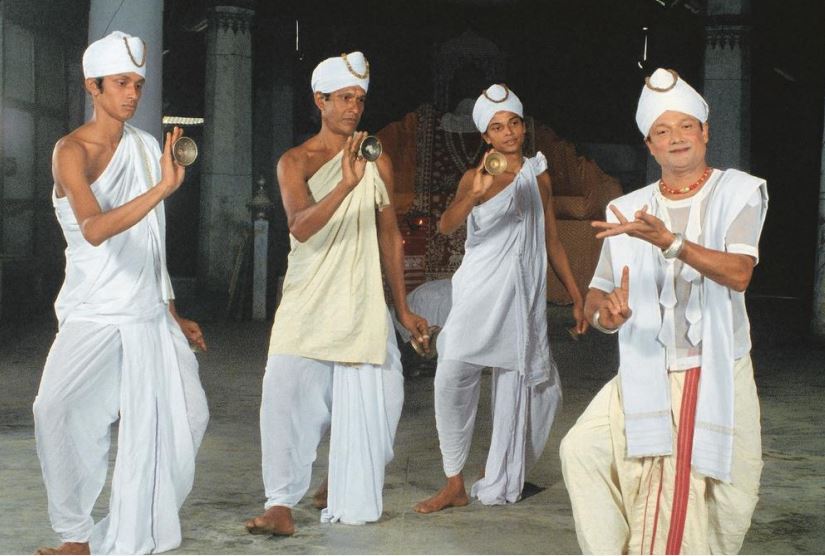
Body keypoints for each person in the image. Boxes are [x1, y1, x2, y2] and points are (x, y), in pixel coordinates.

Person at [560, 68, 767, 554]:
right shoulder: (626, 209)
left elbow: (738, 274)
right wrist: (602, 316)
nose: (676, 138)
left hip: (706, 367)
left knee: (677, 494)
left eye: (686, 126)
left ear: (705, 132)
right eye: (662, 131)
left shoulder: (738, 191)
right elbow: (598, 293)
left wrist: (670, 243)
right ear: (649, 146)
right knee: (581, 451)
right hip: (644, 366)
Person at [32, 31, 209, 555]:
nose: (133, 94)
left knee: (190, 414)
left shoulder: (144, 145)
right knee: (55, 411)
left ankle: (139, 523)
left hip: (147, 312)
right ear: (94, 86)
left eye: (139, 83)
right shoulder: (71, 150)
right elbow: (93, 228)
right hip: (94, 311)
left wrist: (173, 312)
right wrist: (162, 188)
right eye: (122, 83)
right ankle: (74, 536)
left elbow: (151, 243)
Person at [244, 51, 428, 536]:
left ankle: (339, 480)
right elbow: (301, 226)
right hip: (308, 300)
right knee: (285, 402)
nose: (353, 107)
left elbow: (389, 235)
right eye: (344, 97)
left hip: (363, 301)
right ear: (319, 100)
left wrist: (404, 309)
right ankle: (280, 504)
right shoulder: (295, 161)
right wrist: (345, 184)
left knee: (385, 402)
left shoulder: (378, 159)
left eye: (360, 99)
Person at [414, 84, 587, 514]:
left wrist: (576, 295)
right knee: (452, 371)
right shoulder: (475, 177)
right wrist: (473, 195)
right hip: (478, 288)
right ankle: (453, 480)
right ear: (485, 136)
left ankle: (502, 473)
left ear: (521, 127)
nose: (508, 132)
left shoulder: (537, 173)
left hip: (521, 292)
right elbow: (446, 226)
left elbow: (550, 240)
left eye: (513, 123)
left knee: (520, 380)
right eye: (497, 127)